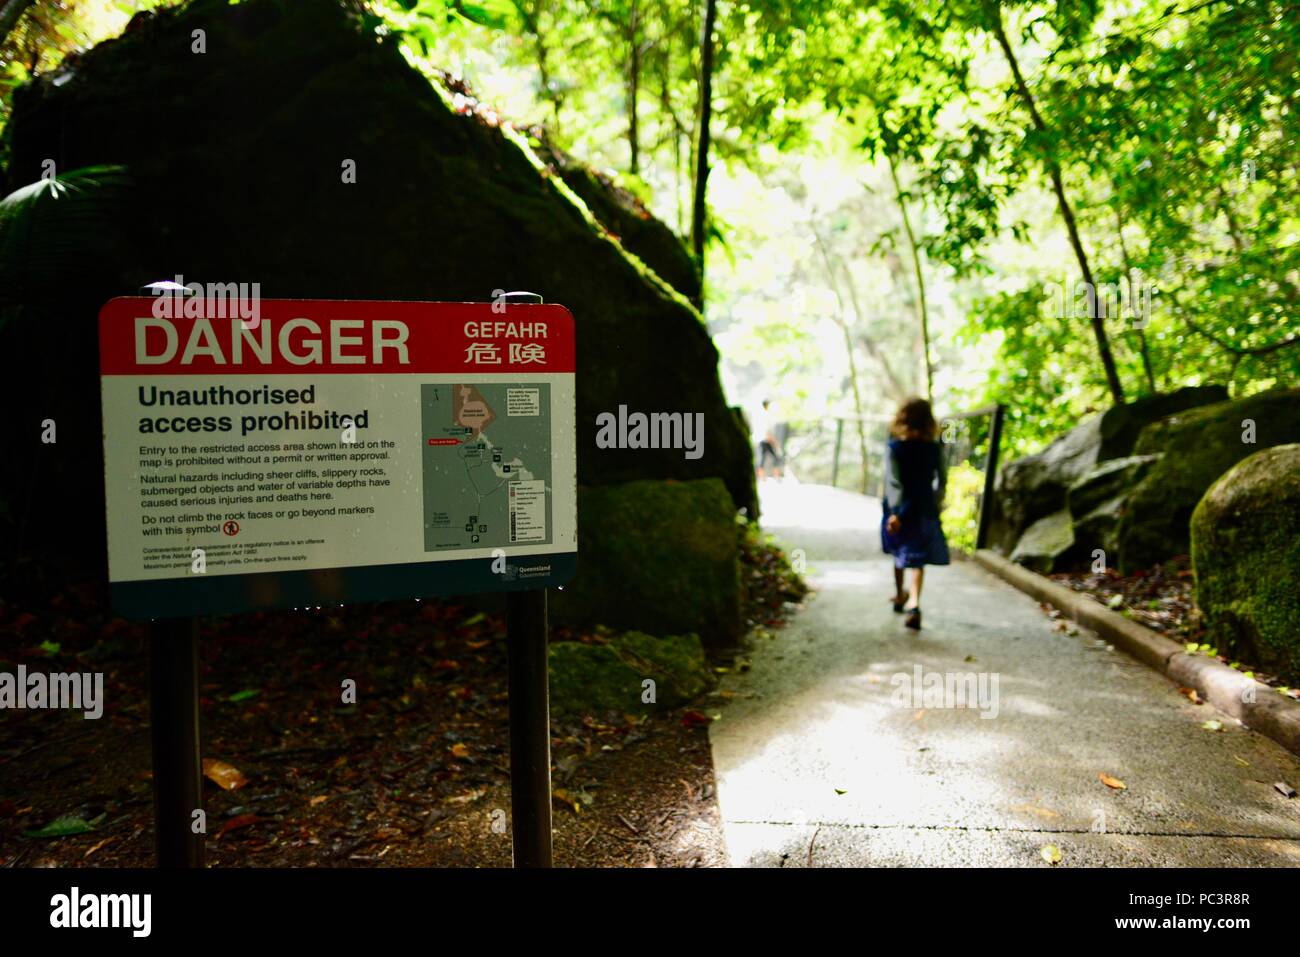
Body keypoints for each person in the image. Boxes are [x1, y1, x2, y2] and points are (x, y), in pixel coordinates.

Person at [881, 397, 950, 630]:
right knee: (918, 558)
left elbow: (894, 481)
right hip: (924, 508)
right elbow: (942, 479)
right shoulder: (934, 449)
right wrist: (936, 502)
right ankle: (914, 603)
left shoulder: (895, 448)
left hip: (899, 510)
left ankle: (900, 594)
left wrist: (896, 511)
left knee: (899, 552)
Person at [753, 398, 784, 480]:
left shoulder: (761, 415)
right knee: (775, 457)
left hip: (762, 440)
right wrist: (773, 441)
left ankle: (763, 476)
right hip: (766, 440)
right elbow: (767, 430)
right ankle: (774, 476)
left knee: (762, 458)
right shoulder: (765, 415)